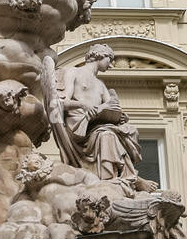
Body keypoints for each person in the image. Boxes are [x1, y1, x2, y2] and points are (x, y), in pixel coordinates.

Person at [58, 43, 142, 182]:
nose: (110, 66)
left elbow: (112, 107)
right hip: (80, 126)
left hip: (98, 125)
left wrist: (119, 116)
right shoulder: (74, 72)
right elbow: (63, 103)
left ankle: (128, 176)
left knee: (129, 130)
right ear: (99, 55)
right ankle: (109, 178)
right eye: (110, 60)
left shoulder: (101, 85)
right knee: (107, 135)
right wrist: (83, 105)